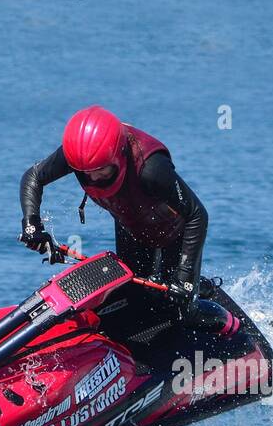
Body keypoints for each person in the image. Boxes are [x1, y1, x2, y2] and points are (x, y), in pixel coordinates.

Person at [18, 106, 216, 341]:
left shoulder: (151, 168)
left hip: (175, 236)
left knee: (178, 310)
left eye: (101, 170)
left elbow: (197, 215)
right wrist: (32, 225)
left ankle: (227, 326)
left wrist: (184, 278)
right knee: (134, 297)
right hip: (131, 227)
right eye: (85, 172)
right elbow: (33, 176)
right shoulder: (79, 154)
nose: (93, 178)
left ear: (118, 155)